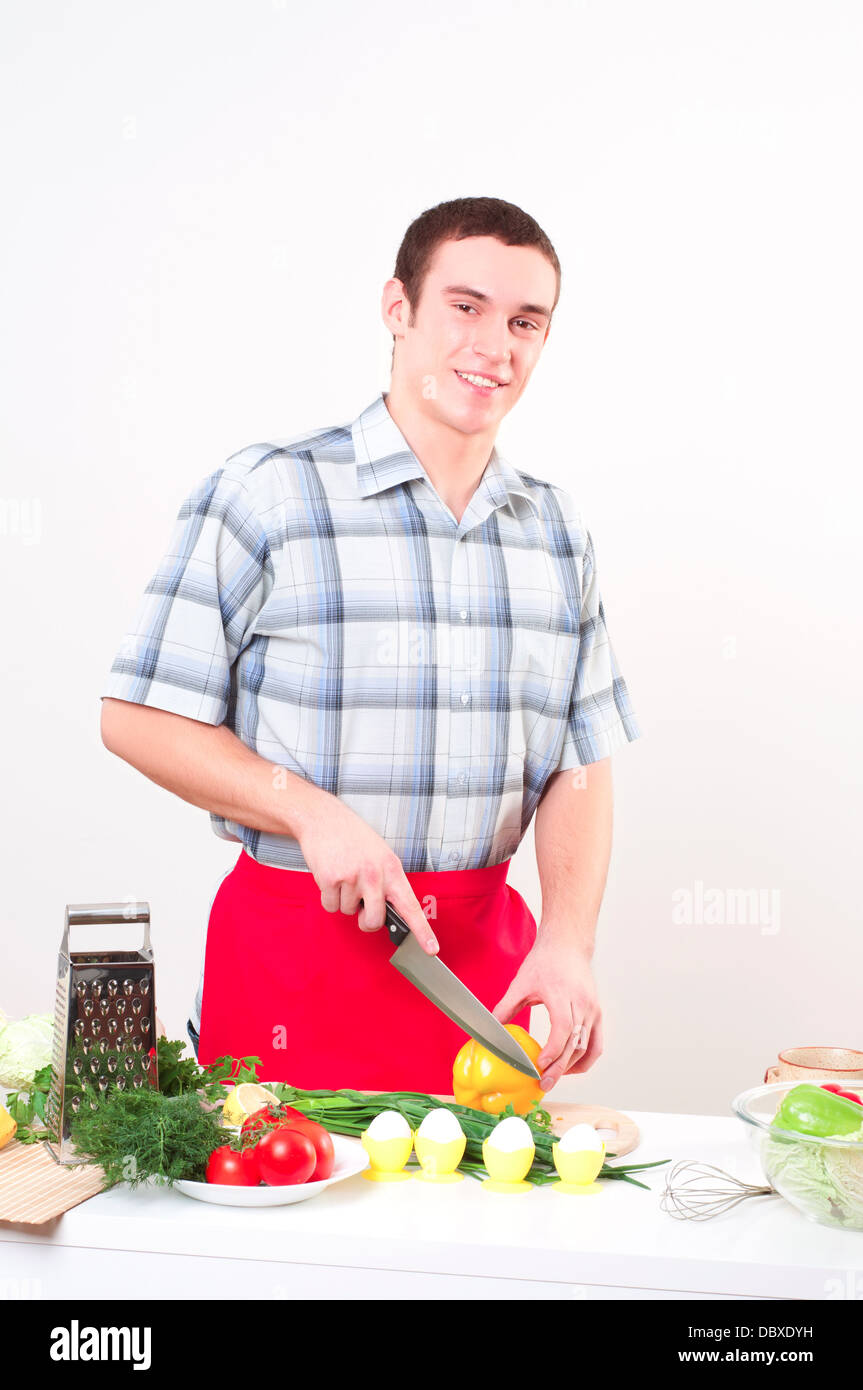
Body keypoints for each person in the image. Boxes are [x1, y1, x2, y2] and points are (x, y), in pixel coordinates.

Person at [99, 195, 641, 1096]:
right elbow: (136, 719)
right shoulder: (269, 493)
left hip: (481, 988)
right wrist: (311, 812)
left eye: (524, 322)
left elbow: (579, 766)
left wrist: (568, 942)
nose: (493, 347)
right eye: (464, 307)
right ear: (399, 310)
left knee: (479, 1226)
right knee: (287, 1223)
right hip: (293, 966)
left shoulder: (554, 531)